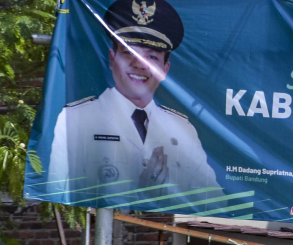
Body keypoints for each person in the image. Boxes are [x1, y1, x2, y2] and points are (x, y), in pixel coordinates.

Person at [46, 0, 220, 201]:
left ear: (164, 70)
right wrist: (139, 193)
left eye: (152, 57)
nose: (138, 64)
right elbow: (56, 190)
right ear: (112, 59)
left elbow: (213, 199)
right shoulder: (75, 119)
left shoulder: (183, 129)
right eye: (129, 52)